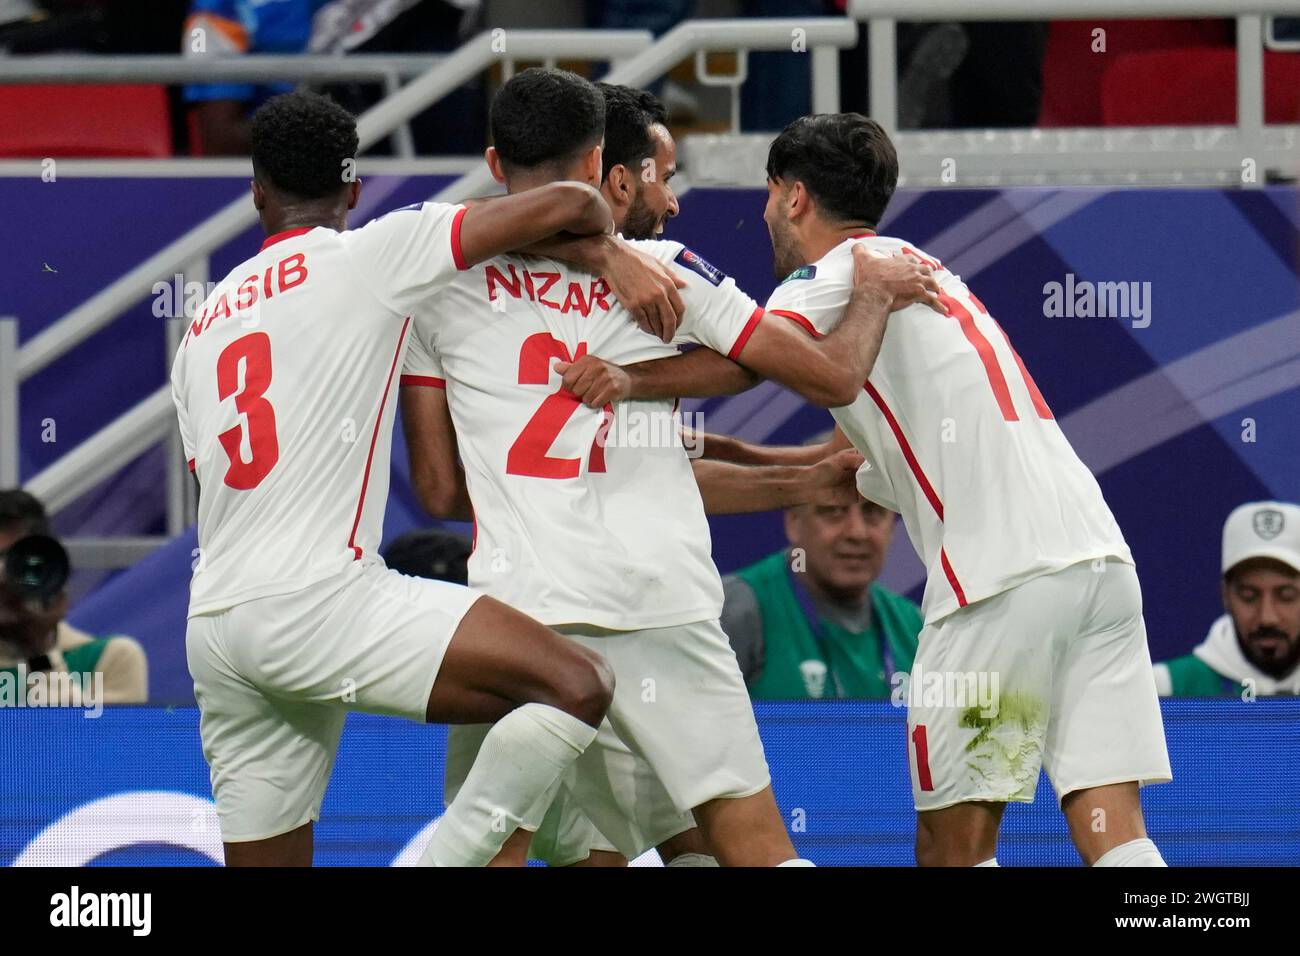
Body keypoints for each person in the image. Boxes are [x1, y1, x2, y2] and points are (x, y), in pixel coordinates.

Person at [568, 111, 1173, 868]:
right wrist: (744, 455)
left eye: (767, 197)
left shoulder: (841, 274)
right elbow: (854, 459)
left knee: (954, 845)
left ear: (793, 197)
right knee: (1112, 824)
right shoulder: (926, 270)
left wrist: (630, 379)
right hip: (1099, 572)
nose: (763, 217)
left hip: (998, 587)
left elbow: (755, 357)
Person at [398, 68, 940, 868]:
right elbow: (810, 373)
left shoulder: (432, 281)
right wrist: (610, 256)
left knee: (503, 848)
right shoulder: (670, 272)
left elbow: (440, 491)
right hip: (665, 603)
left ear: (490, 159)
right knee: (750, 847)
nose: (672, 194)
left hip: (525, 613)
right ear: (598, 171)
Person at [170, 88, 690, 867]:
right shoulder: (375, 254)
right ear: (353, 189)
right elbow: (570, 199)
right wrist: (608, 251)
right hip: (319, 599)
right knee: (575, 683)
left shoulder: (201, 329)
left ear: (256, 191)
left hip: (215, 625)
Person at [722, 492, 921, 700]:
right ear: (794, 522)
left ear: (892, 528)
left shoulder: (916, 626)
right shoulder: (738, 610)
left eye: (873, 512)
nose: (857, 532)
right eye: (833, 511)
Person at [0, 489, 148, 704]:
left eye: (14, 561)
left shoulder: (109, 657)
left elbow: (68, 732)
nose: (4, 577)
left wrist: (39, 650)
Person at [1154, 501, 1300, 696]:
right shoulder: (1163, 690)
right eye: (1249, 596)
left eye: (1286, 596)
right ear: (1225, 595)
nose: (1267, 617)